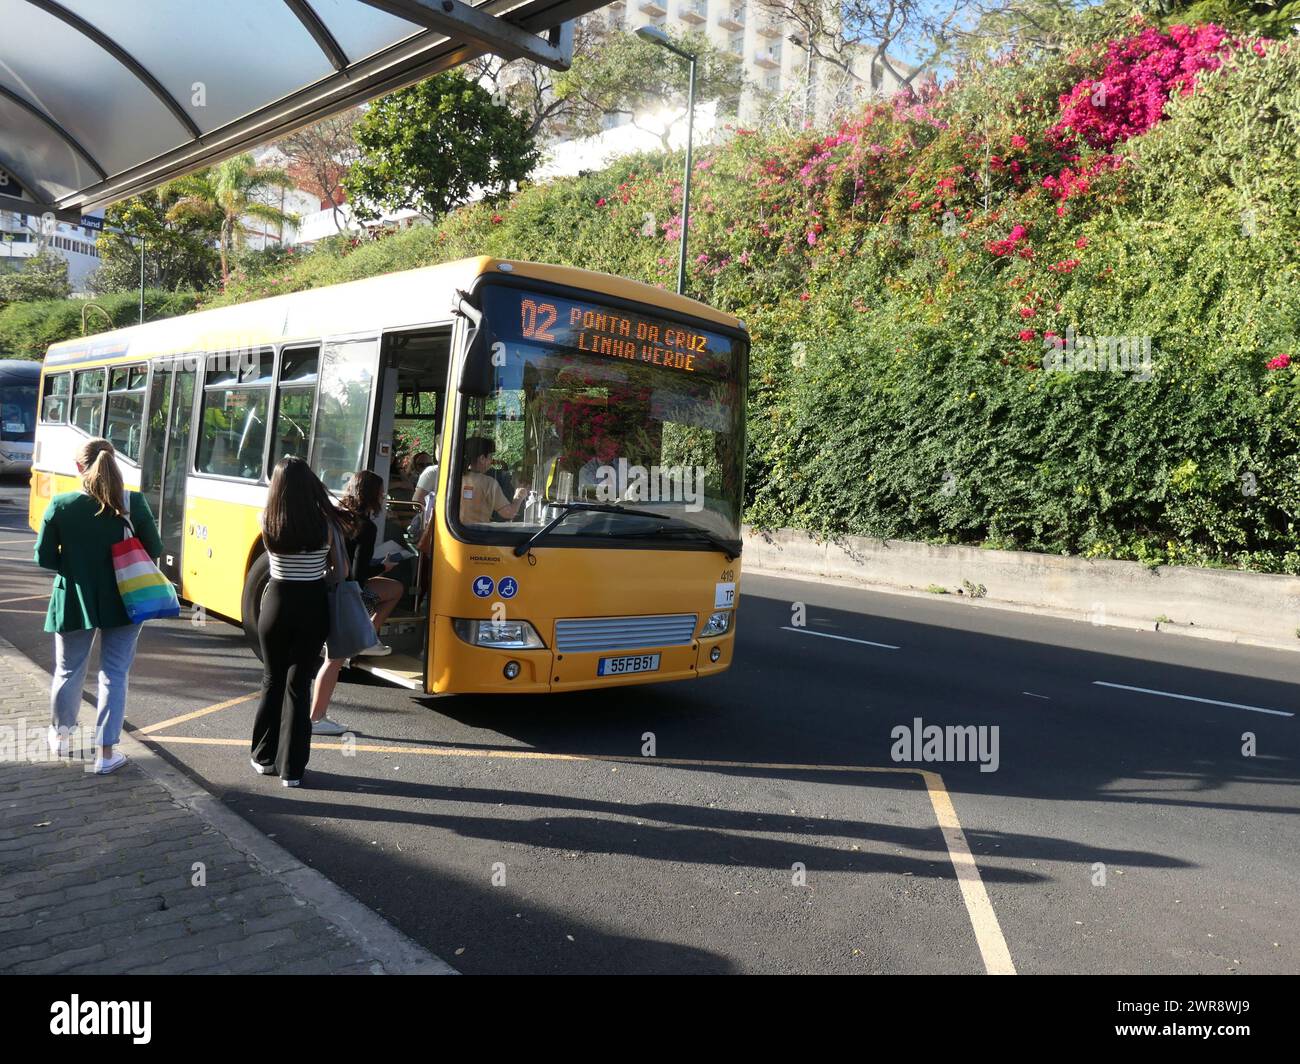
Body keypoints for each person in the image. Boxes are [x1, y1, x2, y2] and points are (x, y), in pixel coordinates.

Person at [35, 438, 164, 774]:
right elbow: (155, 548)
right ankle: (106, 754)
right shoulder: (131, 503)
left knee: (67, 670)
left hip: (74, 599)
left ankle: (61, 738)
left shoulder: (61, 505)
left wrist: (77, 561)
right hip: (125, 600)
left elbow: (44, 557)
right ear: (113, 463)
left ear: (79, 467)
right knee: (114, 675)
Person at [252, 457, 335, 787]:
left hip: (276, 604)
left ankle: (263, 757)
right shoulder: (324, 523)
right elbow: (337, 571)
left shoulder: (267, 520)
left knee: (271, 680)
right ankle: (293, 770)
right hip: (313, 605)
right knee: (299, 686)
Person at [310, 470, 405, 732]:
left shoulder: (335, 516)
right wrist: (383, 567)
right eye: (381, 491)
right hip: (348, 593)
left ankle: (316, 716)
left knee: (331, 658)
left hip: (325, 588)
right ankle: (316, 718)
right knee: (334, 659)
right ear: (372, 494)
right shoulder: (366, 527)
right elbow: (360, 573)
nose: (384, 495)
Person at [460, 436, 527, 524]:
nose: (492, 461)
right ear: (482, 458)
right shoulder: (489, 483)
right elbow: (509, 513)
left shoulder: (455, 479)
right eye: (490, 457)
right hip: (477, 534)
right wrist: (519, 496)